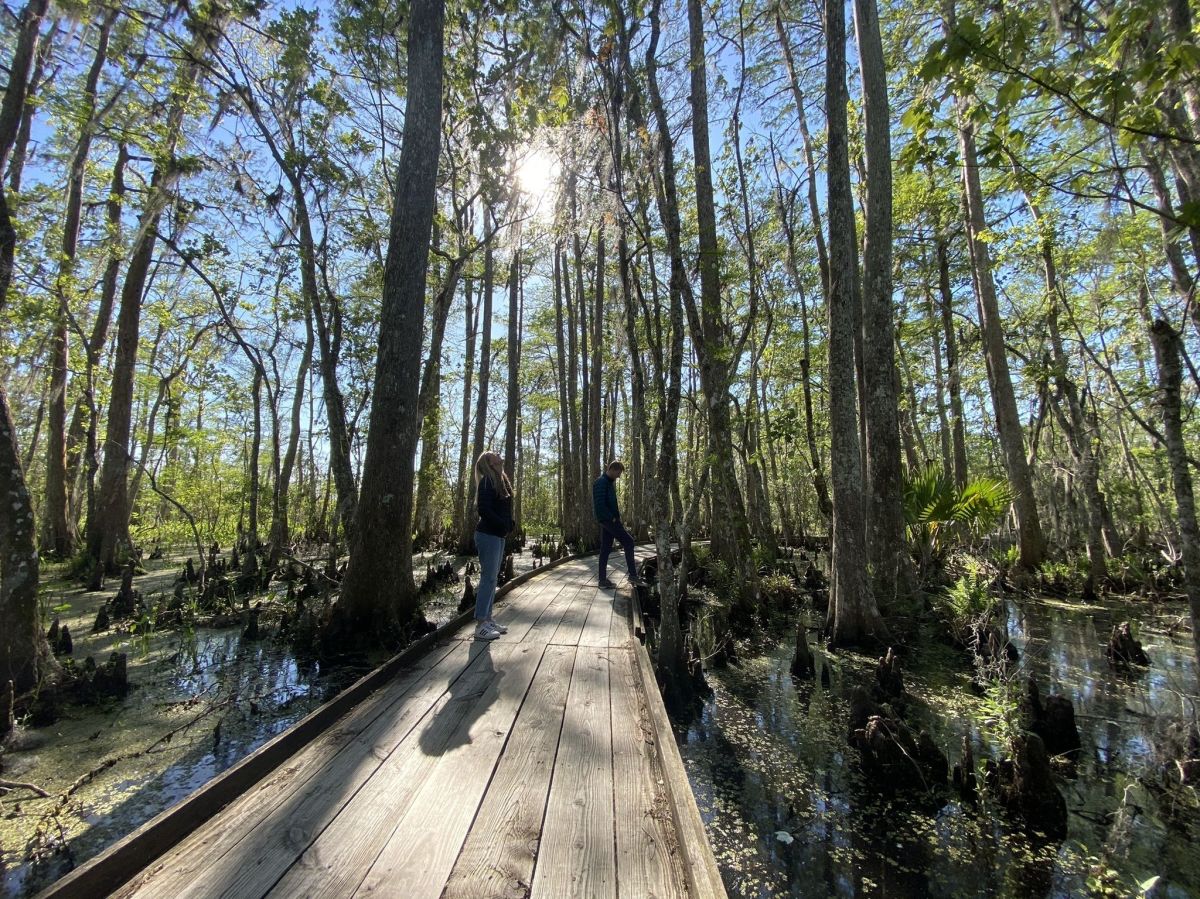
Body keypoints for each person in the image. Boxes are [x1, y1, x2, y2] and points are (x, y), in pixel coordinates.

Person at [473, 451, 513, 640]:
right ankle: (481, 624)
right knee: (487, 578)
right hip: (487, 534)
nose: (499, 456)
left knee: (492, 578)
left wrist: (509, 524)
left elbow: (502, 508)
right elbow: (483, 509)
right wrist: (501, 524)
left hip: (497, 535)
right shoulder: (487, 482)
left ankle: (488, 619)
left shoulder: (500, 480)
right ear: (489, 463)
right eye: (494, 455)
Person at [592, 460, 644, 588]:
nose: (619, 476)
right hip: (608, 520)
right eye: (619, 473)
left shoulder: (608, 483)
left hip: (608, 520)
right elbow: (599, 505)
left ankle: (602, 581)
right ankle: (632, 575)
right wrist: (612, 519)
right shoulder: (601, 482)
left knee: (605, 549)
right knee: (629, 542)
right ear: (612, 469)